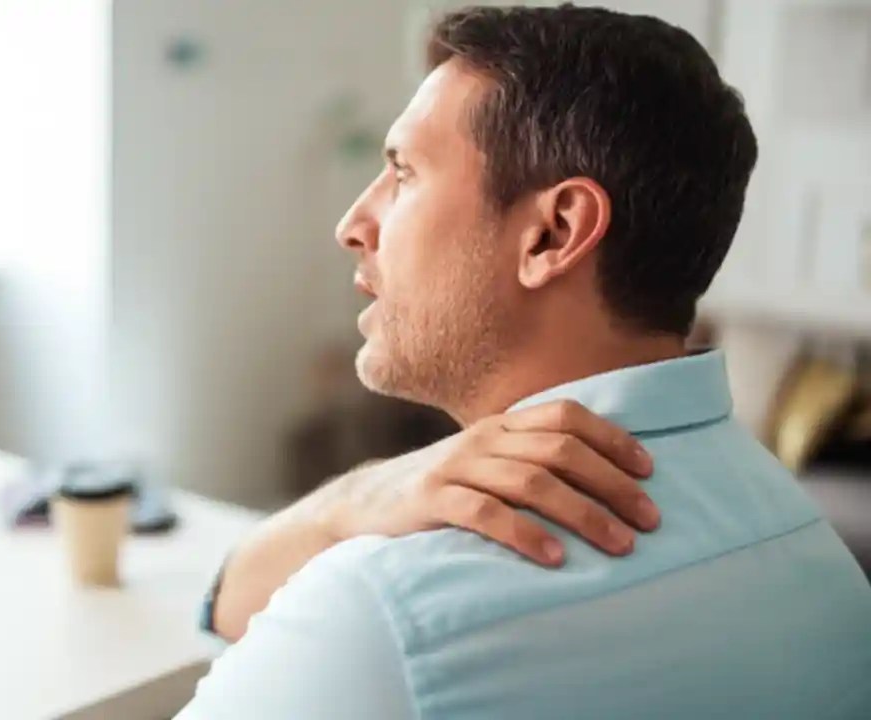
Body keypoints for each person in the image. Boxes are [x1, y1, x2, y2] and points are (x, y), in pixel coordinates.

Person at [177, 5, 871, 719]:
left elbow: (231, 618)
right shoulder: (818, 555)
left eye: (403, 173)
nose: (353, 224)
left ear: (553, 233)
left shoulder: (382, 613)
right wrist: (353, 504)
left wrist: (337, 520)